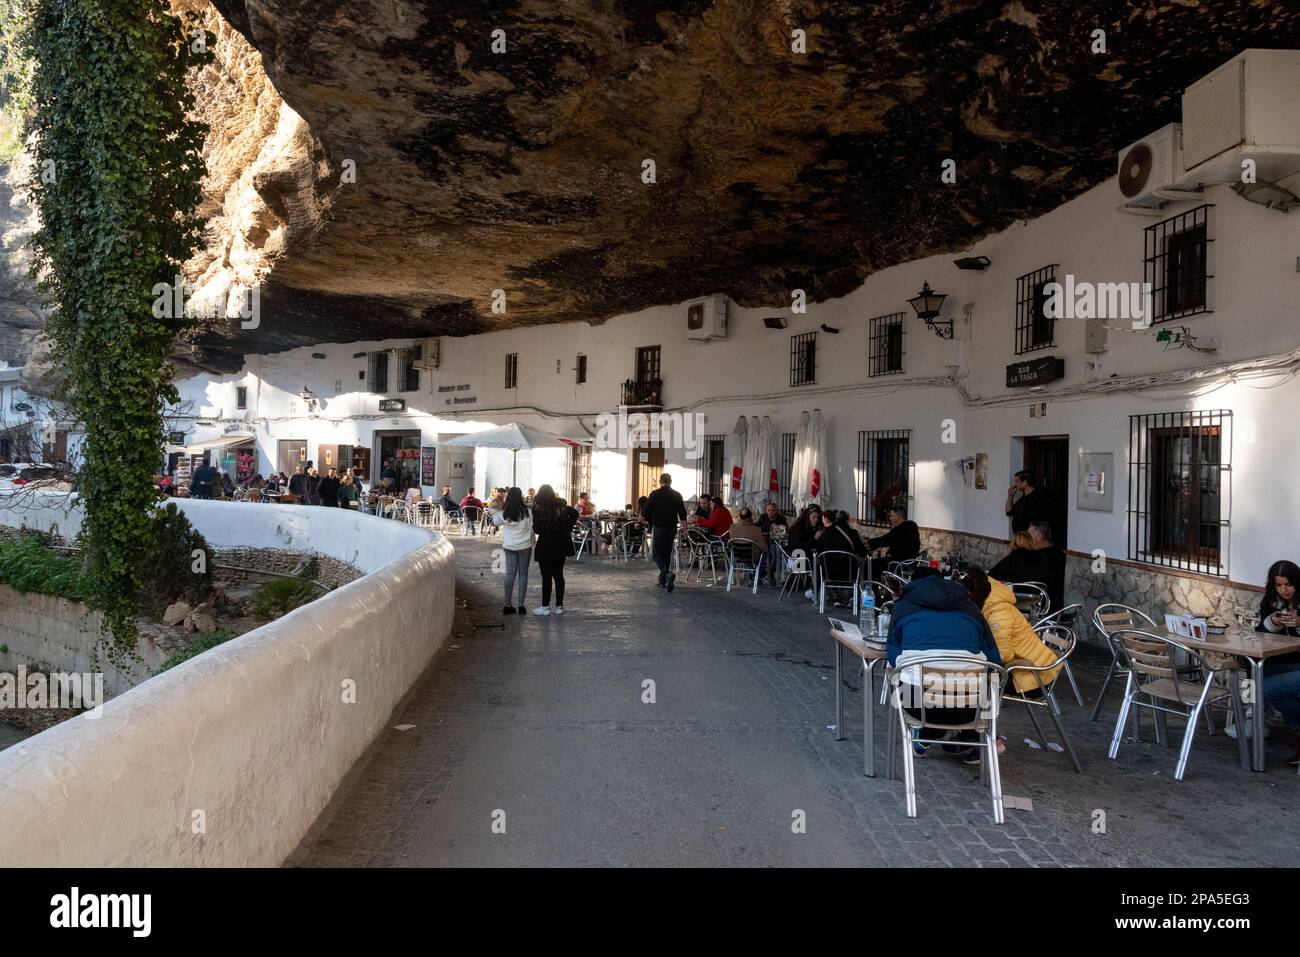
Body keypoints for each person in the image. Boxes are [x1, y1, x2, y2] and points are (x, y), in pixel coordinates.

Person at [886, 567, 1003, 763]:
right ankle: (975, 740)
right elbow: (994, 659)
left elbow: (893, 656)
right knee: (981, 680)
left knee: (906, 677)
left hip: (918, 704)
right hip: (972, 707)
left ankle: (927, 736)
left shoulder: (902, 608)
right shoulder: (972, 609)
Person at [962, 567, 1061, 694]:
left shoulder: (998, 612)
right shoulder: (992, 602)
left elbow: (1002, 655)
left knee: (966, 680)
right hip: (1029, 670)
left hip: (1033, 678)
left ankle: (977, 712)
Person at [1257, 560, 1300, 766]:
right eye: (1279, 585)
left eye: (1288, 585)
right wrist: (1272, 623)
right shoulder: (1270, 601)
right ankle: (1253, 717)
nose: (1284, 590)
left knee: (1266, 688)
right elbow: (1260, 632)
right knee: (1261, 673)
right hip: (1287, 663)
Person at [531, 485, 578, 615]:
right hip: (561, 544)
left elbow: (537, 529)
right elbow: (575, 513)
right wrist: (566, 528)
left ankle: (545, 607)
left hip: (545, 544)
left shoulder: (538, 507)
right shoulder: (560, 505)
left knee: (546, 577)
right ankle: (559, 606)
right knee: (558, 575)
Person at [491, 487, 534, 615]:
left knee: (510, 575)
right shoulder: (527, 511)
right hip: (525, 546)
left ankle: (507, 605)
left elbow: (495, 522)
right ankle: (521, 605)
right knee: (523, 575)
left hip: (509, 546)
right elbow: (531, 527)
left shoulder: (505, 512)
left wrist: (494, 511)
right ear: (521, 497)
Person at [643, 472, 686, 591]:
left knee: (656, 554)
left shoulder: (655, 494)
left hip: (659, 528)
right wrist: (685, 530)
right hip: (672, 528)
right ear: (671, 481)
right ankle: (663, 580)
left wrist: (640, 519)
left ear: (660, 481)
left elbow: (646, 510)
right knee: (667, 554)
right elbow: (683, 514)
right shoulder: (677, 495)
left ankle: (667, 574)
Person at [1027, 521, 1066, 611]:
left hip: (1043, 606)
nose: (1026, 539)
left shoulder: (1045, 557)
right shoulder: (1054, 552)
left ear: (1038, 537)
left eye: (1028, 536)